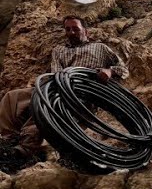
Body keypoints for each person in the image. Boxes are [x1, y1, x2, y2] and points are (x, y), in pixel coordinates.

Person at [0, 16, 129, 171]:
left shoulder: (100, 48)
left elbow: (123, 68)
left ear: (85, 31)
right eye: (68, 29)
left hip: (82, 95)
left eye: (75, 28)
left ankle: (24, 150)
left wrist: (109, 70)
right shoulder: (59, 50)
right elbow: (56, 74)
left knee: (46, 111)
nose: (71, 32)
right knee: (12, 97)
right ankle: (7, 138)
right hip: (58, 88)